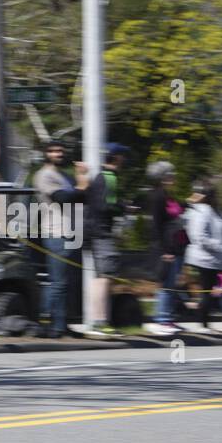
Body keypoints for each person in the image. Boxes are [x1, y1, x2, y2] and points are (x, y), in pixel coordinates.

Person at [32, 139, 89, 338]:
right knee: (58, 282)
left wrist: (79, 182)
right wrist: (81, 183)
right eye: (54, 151)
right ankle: (49, 326)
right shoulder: (44, 175)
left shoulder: (63, 176)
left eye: (61, 150)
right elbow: (63, 198)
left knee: (66, 282)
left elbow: (81, 197)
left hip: (71, 232)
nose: (59, 154)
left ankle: (61, 324)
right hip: (56, 232)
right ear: (46, 154)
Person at [82, 142, 128, 337]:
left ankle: (98, 321)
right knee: (104, 279)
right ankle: (100, 322)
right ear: (116, 158)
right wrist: (124, 207)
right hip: (102, 233)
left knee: (100, 278)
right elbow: (106, 207)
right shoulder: (110, 177)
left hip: (93, 232)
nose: (124, 160)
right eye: (122, 156)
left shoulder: (98, 177)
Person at [148, 161, 189, 336]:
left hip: (177, 245)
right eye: (170, 174)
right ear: (161, 177)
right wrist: (164, 250)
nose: (173, 177)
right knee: (167, 284)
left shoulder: (168, 195)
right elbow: (157, 225)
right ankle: (162, 319)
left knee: (172, 284)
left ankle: (169, 318)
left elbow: (177, 212)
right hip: (167, 247)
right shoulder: (157, 196)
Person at [183, 181, 222, 330]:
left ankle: (204, 322)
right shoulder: (203, 211)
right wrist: (217, 246)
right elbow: (198, 236)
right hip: (203, 259)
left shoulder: (214, 211)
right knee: (206, 293)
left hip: (213, 260)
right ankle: (202, 323)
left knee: (211, 293)